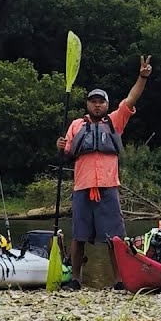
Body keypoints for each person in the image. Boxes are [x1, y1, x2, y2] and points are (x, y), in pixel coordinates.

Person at [55, 55, 153, 290]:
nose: (97, 105)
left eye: (101, 101)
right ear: (87, 104)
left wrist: (142, 77)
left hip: (108, 187)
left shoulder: (115, 122)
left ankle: (119, 280)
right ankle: (76, 279)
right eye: (93, 101)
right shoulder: (77, 126)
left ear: (107, 105)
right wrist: (60, 146)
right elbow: (68, 150)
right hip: (82, 187)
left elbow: (132, 98)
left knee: (115, 238)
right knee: (79, 236)